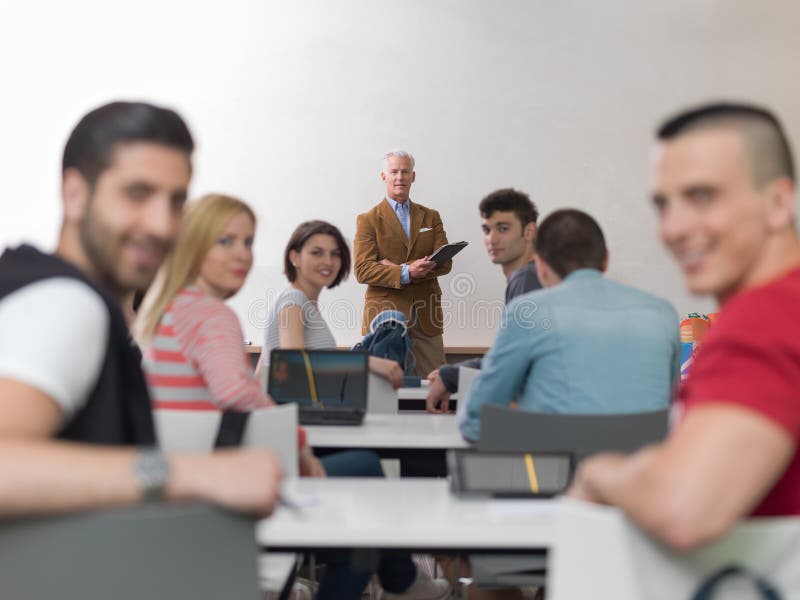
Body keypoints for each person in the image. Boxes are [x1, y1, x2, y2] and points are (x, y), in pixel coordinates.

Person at [137, 201, 446, 599]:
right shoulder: (221, 314)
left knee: (356, 526)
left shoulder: (169, 309)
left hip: (200, 472)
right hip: (226, 477)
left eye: (247, 242)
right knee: (364, 488)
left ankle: (400, 580)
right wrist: (301, 450)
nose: (242, 254)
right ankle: (403, 581)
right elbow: (256, 382)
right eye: (225, 241)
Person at [0, 101, 280, 518]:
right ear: (74, 193)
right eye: (137, 194)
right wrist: (196, 474)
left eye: (176, 201)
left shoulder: (34, 282)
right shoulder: (68, 306)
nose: (161, 225)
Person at [568, 102, 800, 551]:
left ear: (778, 203)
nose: (672, 228)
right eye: (662, 204)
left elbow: (683, 509)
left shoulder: (765, 320)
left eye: (702, 197)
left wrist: (599, 473)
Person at [460, 209, 680, 442]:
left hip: (552, 472)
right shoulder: (662, 313)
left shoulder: (528, 312)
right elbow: (670, 405)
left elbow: (474, 422)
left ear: (540, 266)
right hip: (643, 473)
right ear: (605, 259)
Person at [426, 188, 542, 412]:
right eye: (486, 229)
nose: (492, 238)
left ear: (529, 231)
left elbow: (514, 361)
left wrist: (452, 374)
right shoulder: (530, 276)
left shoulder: (527, 279)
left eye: (503, 229)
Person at [260, 219, 405, 388]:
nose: (328, 262)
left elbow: (263, 369)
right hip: (296, 413)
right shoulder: (293, 300)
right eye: (317, 253)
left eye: (335, 254)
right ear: (295, 257)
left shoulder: (300, 301)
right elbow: (293, 367)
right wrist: (365, 362)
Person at [354, 150, 453, 377]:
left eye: (405, 172)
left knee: (436, 384)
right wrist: (407, 271)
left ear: (413, 176)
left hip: (427, 317)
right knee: (384, 390)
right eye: (394, 172)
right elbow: (362, 269)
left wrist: (395, 268)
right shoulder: (368, 220)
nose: (400, 177)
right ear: (384, 176)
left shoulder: (431, 217)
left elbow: (445, 262)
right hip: (384, 318)